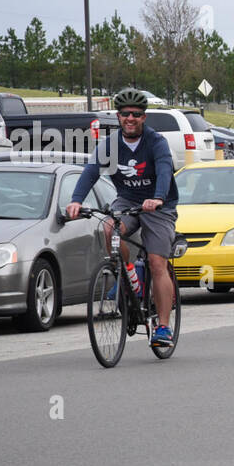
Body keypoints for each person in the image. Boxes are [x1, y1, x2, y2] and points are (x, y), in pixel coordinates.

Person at [66, 87, 178, 348]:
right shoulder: (110, 145)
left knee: (156, 261)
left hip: (159, 205)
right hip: (127, 200)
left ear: (144, 118)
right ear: (118, 116)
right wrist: (75, 200)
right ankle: (129, 274)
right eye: (125, 114)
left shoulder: (155, 142)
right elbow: (91, 171)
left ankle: (163, 327)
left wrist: (158, 197)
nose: (130, 118)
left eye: (136, 114)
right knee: (109, 228)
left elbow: (163, 169)